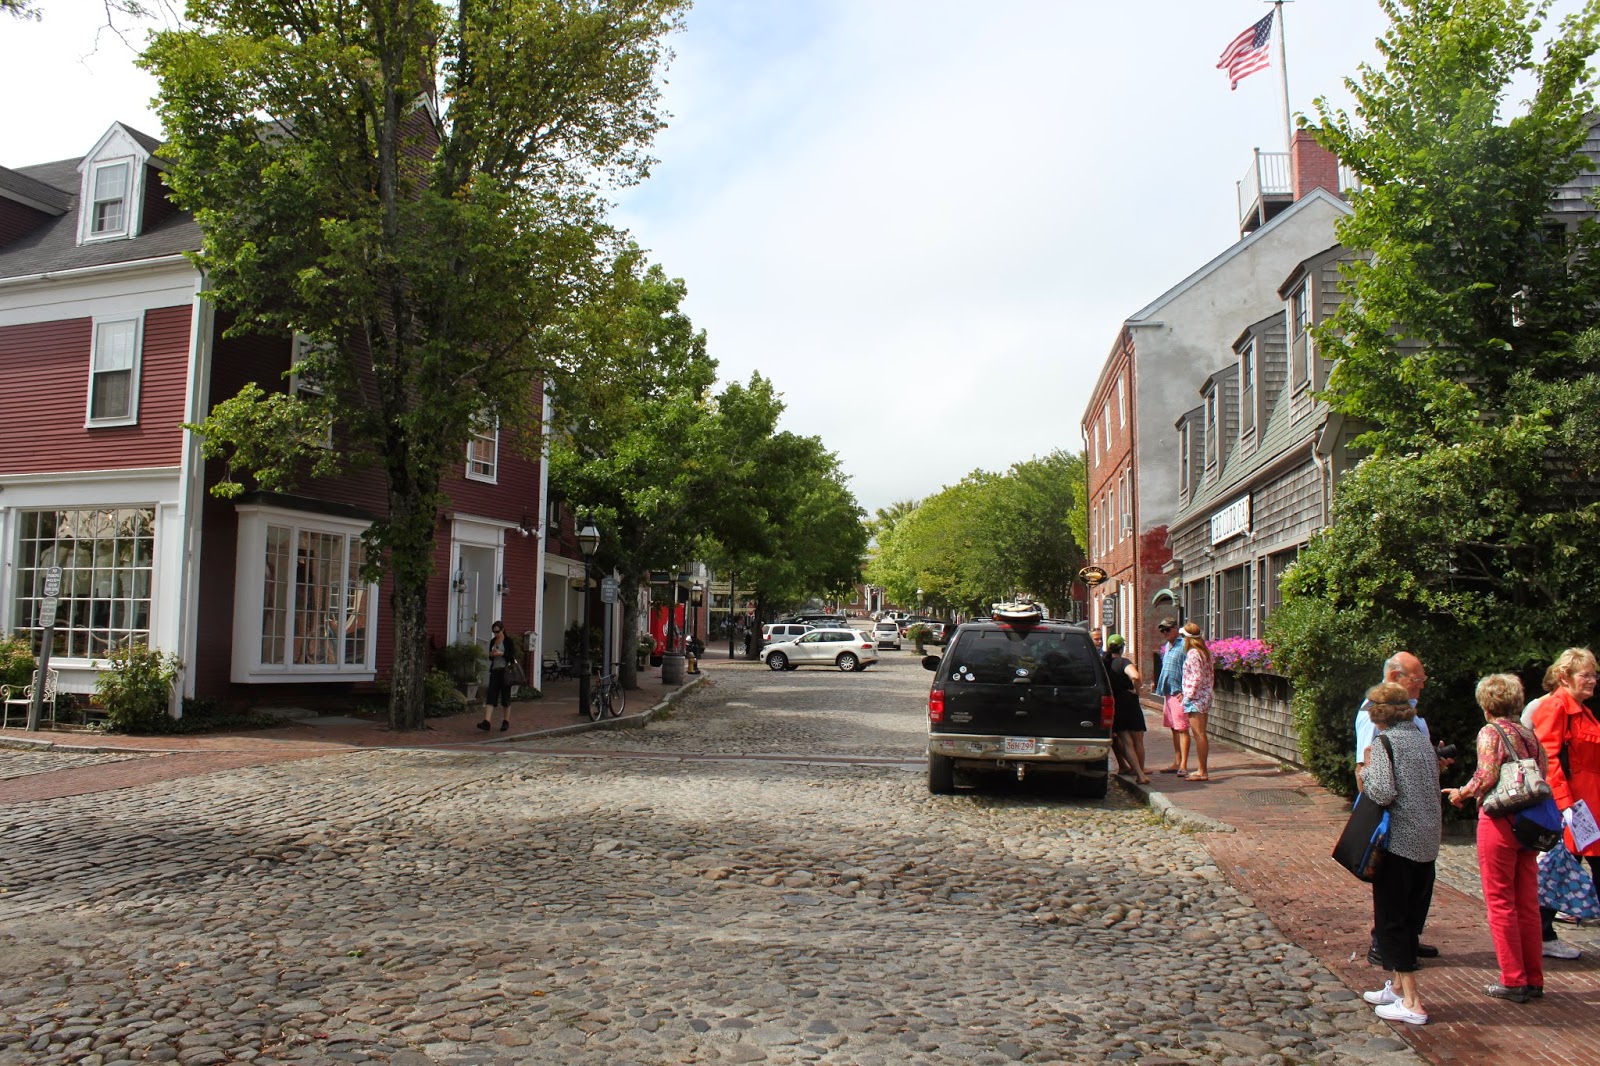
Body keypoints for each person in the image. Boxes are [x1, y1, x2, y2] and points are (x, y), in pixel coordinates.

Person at [1443, 673, 1547, 1001]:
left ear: (1486, 704)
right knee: (1527, 901)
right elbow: (1542, 770)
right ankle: (1534, 977)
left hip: (1500, 819)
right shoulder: (1529, 734)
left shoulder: (1492, 731)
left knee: (1500, 901)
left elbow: (1485, 774)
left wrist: (1461, 793)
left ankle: (1513, 978)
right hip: (1529, 820)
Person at [1360, 682, 1442, 1026]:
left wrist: (1363, 773)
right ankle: (1395, 987)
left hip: (1399, 843)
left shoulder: (1385, 743)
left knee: (1394, 921)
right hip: (1427, 841)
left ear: (1379, 715)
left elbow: (1382, 791)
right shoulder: (1421, 740)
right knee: (1411, 914)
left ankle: (1412, 1001)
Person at [1530, 646, 1600, 960]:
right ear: (1565, 676)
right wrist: (1564, 805)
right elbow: (1548, 759)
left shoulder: (1581, 709)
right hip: (1574, 806)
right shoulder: (1556, 707)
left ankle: (1542, 932)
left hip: (1588, 803)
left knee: (1558, 869)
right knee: (1557, 867)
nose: (1593, 680)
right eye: (1586, 674)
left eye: (1594, 674)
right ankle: (1541, 934)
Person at [1104, 634, 1149, 784]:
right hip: (1130, 702)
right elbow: (1135, 676)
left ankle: (1138, 773)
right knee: (1138, 741)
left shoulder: (1105, 663)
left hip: (1117, 704)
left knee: (1126, 742)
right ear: (1122, 648)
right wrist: (1137, 691)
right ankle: (1141, 774)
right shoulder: (1124, 662)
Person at [1152, 619, 1190, 775]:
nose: (1165, 633)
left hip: (1179, 693)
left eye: (1168, 629)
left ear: (1176, 628)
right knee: (1174, 729)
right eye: (1163, 631)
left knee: (1182, 728)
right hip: (1168, 692)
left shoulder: (1184, 645)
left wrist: (1185, 690)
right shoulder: (1167, 647)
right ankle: (1176, 761)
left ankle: (1184, 765)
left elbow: (1190, 669)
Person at [1179, 621, 1213, 781]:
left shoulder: (1193, 653)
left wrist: (1189, 695)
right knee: (1201, 734)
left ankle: (1202, 770)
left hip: (1196, 698)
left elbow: (1197, 676)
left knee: (1199, 734)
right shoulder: (1204, 652)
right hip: (1204, 696)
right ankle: (1202, 769)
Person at [477, 621, 517, 732]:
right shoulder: (493, 641)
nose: (495, 634)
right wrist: (492, 654)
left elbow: (511, 655)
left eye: (497, 631)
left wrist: (502, 654)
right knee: (491, 695)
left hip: (505, 671)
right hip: (495, 670)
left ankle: (506, 721)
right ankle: (487, 722)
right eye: (494, 631)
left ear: (502, 629)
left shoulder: (508, 641)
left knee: (505, 697)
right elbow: (490, 657)